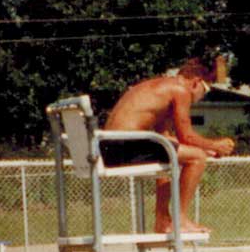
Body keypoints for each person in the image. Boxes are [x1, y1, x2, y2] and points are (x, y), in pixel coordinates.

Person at [102, 58, 237, 234]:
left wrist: (207, 148)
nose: (202, 97)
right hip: (122, 145)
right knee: (197, 159)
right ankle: (180, 220)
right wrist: (215, 145)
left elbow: (167, 139)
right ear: (196, 82)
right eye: (206, 90)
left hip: (111, 146)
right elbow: (186, 135)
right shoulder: (180, 91)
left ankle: (163, 220)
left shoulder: (163, 89)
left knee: (174, 155)